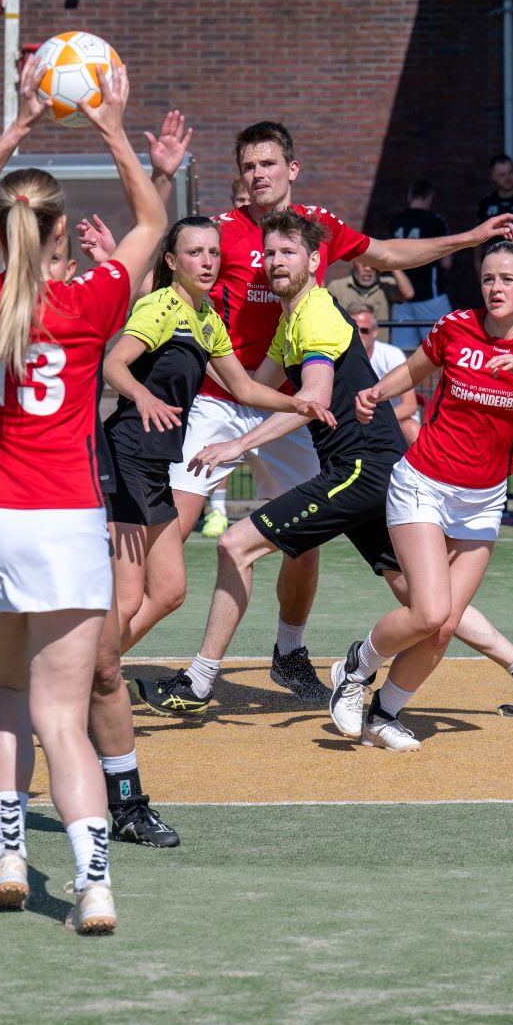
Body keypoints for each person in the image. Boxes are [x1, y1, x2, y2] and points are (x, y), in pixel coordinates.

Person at [142, 119, 513, 705]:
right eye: (248, 166)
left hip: (294, 404)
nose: (258, 175)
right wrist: (159, 186)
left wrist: (469, 240)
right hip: (231, 399)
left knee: (304, 538)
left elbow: (391, 252)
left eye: (268, 164)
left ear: (291, 170)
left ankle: (287, 653)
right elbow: (163, 275)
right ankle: (124, 650)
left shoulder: (315, 233)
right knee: (172, 530)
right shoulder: (220, 233)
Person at [0, 55, 165, 934]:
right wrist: (106, 126)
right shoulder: (89, 300)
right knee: (64, 718)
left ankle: (5, 858)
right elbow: (151, 220)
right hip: (65, 522)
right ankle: (93, 883)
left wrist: (22, 121)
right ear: (60, 228)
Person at [97, 216, 330, 832]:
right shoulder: (161, 306)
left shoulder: (206, 319)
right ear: (171, 260)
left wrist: (301, 403)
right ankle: (78, 688)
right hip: (126, 458)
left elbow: (247, 390)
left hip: (153, 467)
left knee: (169, 591)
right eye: (193, 252)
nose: (206, 261)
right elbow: (114, 366)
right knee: (127, 597)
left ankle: (81, 678)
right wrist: (142, 398)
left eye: (213, 253)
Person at [138, 210, 409, 715]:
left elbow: (315, 394)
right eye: (271, 254)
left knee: (235, 544)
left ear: (314, 260)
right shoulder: (292, 319)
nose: (275, 262)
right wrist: (192, 334)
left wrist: (237, 446)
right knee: (422, 598)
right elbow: (252, 389)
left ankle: (203, 681)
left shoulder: (316, 314)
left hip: (358, 468)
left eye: (288, 253)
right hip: (364, 468)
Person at [330, 238, 513, 749]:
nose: (495, 287)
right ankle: (356, 668)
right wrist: (377, 392)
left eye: (508, 279)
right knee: (427, 612)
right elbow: (416, 369)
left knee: (445, 626)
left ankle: (384, 715)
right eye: (489, 278)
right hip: (423, 483)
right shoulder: (455, 327)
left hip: (484, 499)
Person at [467, 155, 513, 314]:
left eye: (510, 173)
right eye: (502, 174)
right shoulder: (487, 203)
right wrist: (477, 265)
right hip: (496, 269)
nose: (507, 178)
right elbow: (478, 240)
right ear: (493, 176)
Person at [387, 178, 452, 347]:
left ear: (410, 196)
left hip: (401, 296)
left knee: (403, 353)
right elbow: (446, 263)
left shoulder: (395, 221)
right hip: (429, 294)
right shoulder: (436, 221)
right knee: (442, 347)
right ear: (429, 198)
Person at [351, 306, 421, 446]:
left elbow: (409, 406)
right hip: (358, 421)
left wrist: (376, 420)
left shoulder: (391, 354)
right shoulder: (341, 356)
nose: (359, 335)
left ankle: (425, 466)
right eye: (354, 330)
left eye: (364, 330)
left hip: (394, 418)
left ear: (375, 331)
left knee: (411, 428)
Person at [327, 259, 408, 326]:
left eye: (373, 266)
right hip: (348, 343)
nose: (368, 269)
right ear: (353, 264)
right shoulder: (336, 287)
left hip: (379, 344)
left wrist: (390, 264)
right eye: (364, 265)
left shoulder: (386, 284)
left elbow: (408, 294)